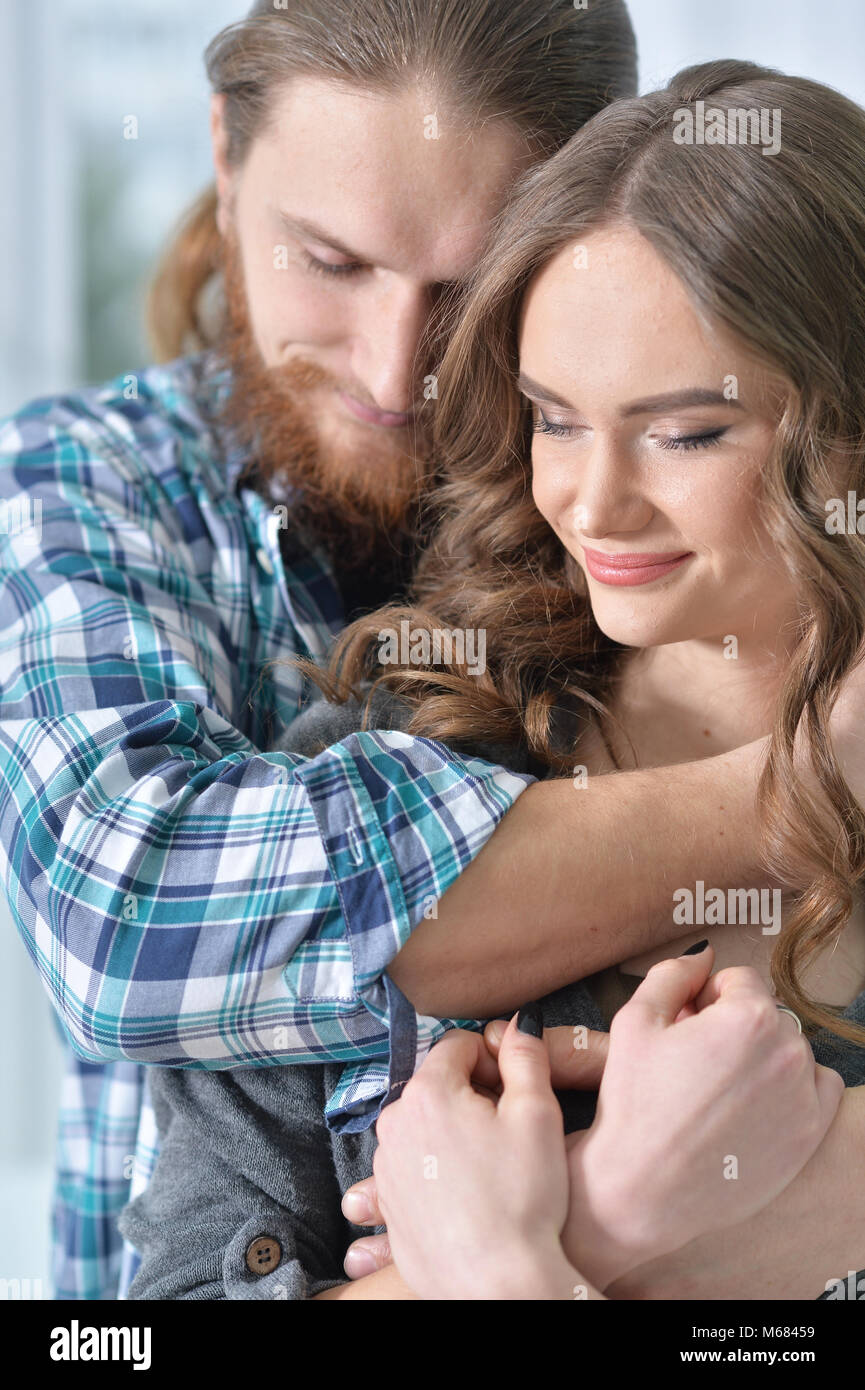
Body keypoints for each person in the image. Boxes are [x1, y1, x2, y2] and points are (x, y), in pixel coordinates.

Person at [121, 59, 865, 1300]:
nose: (590, 500)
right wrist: (600, 1226)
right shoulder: (373, 758)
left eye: (686, 432)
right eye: (555, 418)